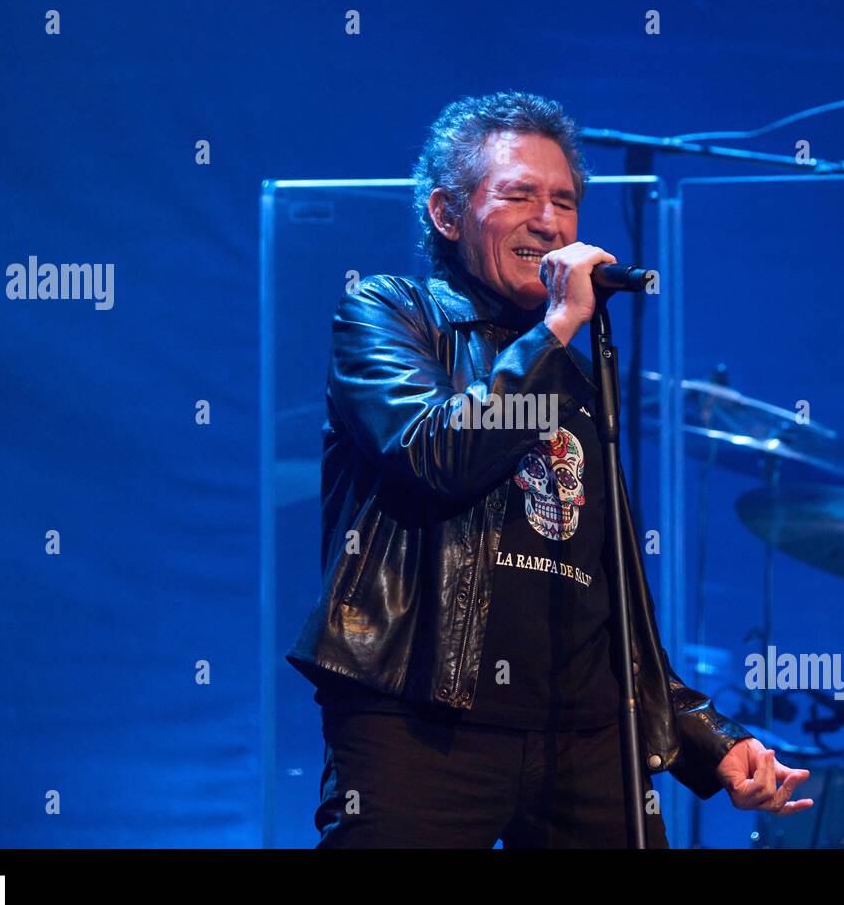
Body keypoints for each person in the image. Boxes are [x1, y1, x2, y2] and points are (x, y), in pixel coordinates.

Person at [287, 91, 812, 848]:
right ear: (445, 213)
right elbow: (438, 454)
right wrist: (560, 325)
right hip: (420, 720)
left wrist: (707, 739)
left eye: (564, 201)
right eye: (519, 195)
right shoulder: (389, 313)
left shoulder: (573, 364)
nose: (550, 220)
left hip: (584, 733)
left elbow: (608, 586)